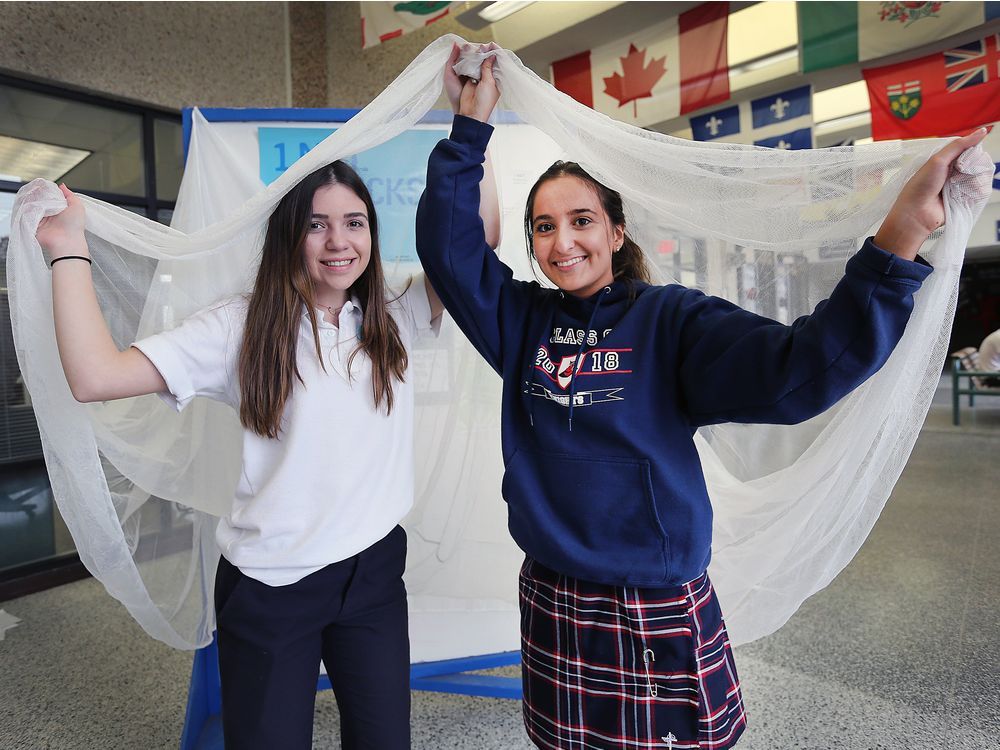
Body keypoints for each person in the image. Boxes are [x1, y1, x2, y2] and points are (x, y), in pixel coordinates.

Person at [415, 52, 987, 749]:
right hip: (553, 593)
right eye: (543, 227)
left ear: (616, 232)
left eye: (582, 220)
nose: (562, 241)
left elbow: (800, 372)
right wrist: (469, 124)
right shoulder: (520, 322)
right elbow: (448, 250)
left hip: (648, 604)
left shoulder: (669, 322)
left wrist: (901, 233)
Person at [35, 101, 499, 750]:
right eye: (318, 225)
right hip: (273, 586)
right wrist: (67, 251)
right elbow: (96, 376)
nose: (339, 241)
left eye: (354, 222)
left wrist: (473, 125)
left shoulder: (391, 311)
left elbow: (481, 243)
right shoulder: (239, 326)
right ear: (290, 235)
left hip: (371, 574)